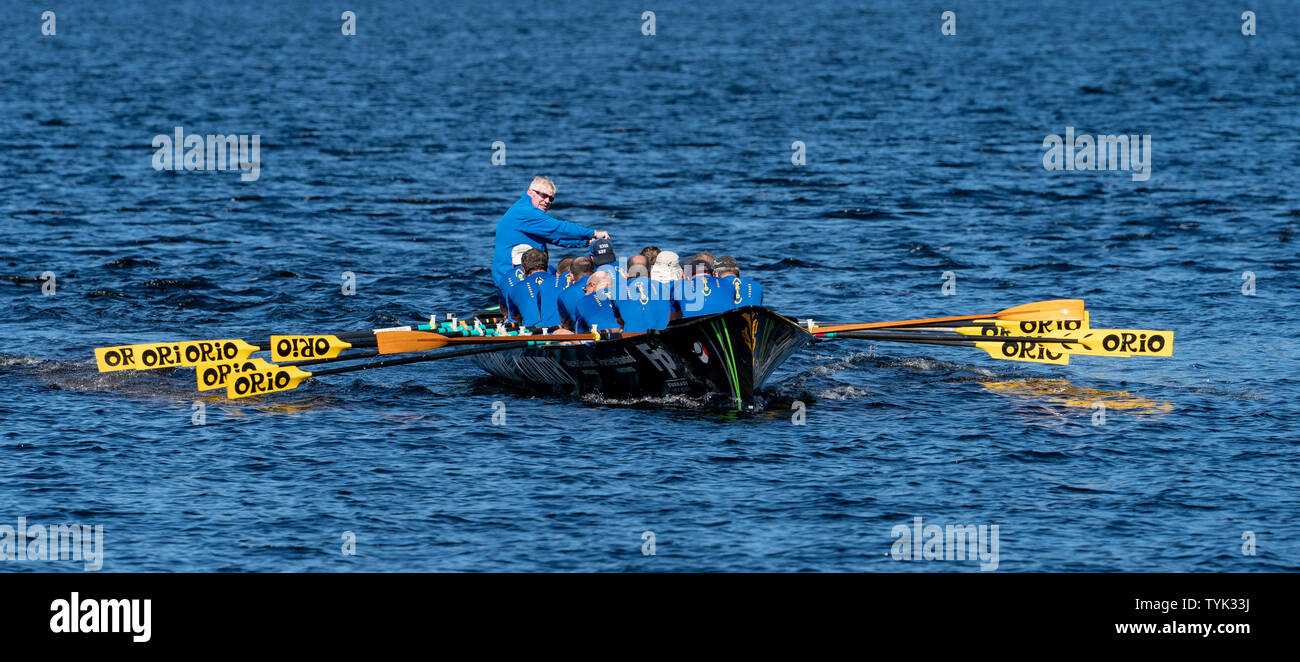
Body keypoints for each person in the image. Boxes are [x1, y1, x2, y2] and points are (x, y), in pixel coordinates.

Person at [492, 176, 610, 303]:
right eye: (543, 195)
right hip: (512, 278)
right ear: (530, 192)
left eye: (551, 198)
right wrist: (593, 233)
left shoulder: (528, 212)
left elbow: (556, 238)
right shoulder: (525, 212)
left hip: (521, 276)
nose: (547, 201)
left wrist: (586, 242)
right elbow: (559, 228)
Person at [505, 249, 563, 327]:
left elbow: (515, 321)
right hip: (561, 332)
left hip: (533, 335)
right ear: (546, 266)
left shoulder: (513, 289)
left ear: (523, 270)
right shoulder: (561, 281)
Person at [615, 256, 670, 332]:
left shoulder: (617, 291)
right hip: (662, 336)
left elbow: (618, 321)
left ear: (626, 273)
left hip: (632, 338)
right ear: (650, 273)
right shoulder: (665, 287)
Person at [557, 256, 594, 328]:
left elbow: (566, 324)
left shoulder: (563, 295)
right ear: (594, 272)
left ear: (571, 276)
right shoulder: (607, 286)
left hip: (583, 336)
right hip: (612, 334)